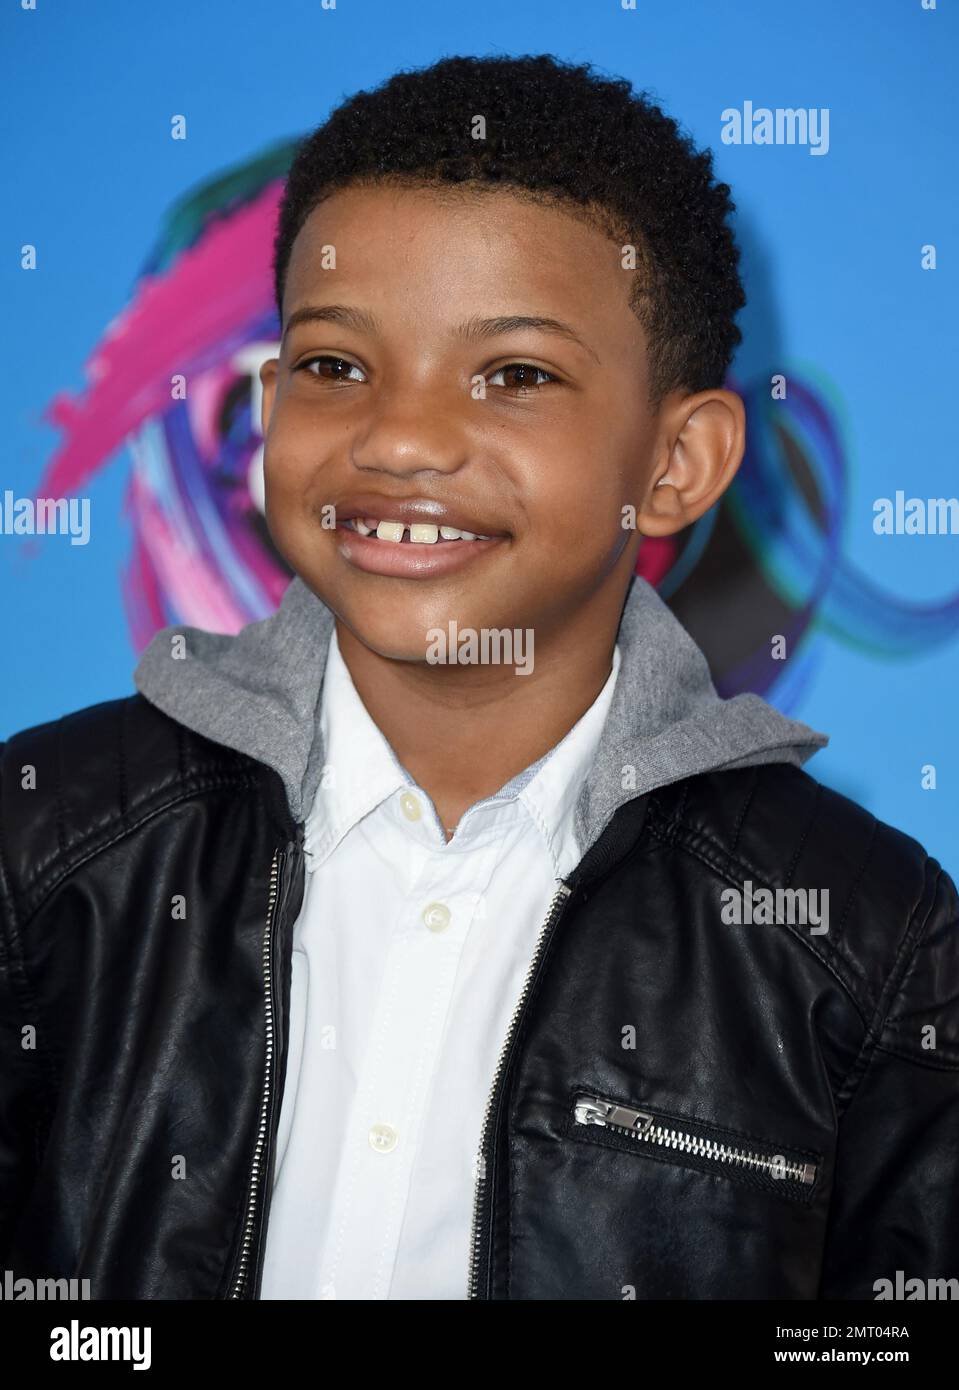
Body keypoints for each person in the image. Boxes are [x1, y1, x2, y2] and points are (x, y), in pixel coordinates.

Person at [2, 54, 956, 1302]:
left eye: (514, 376)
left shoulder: (866, 939)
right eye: (334, 365)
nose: (397, 438)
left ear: (676, 462)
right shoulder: (42, 843)